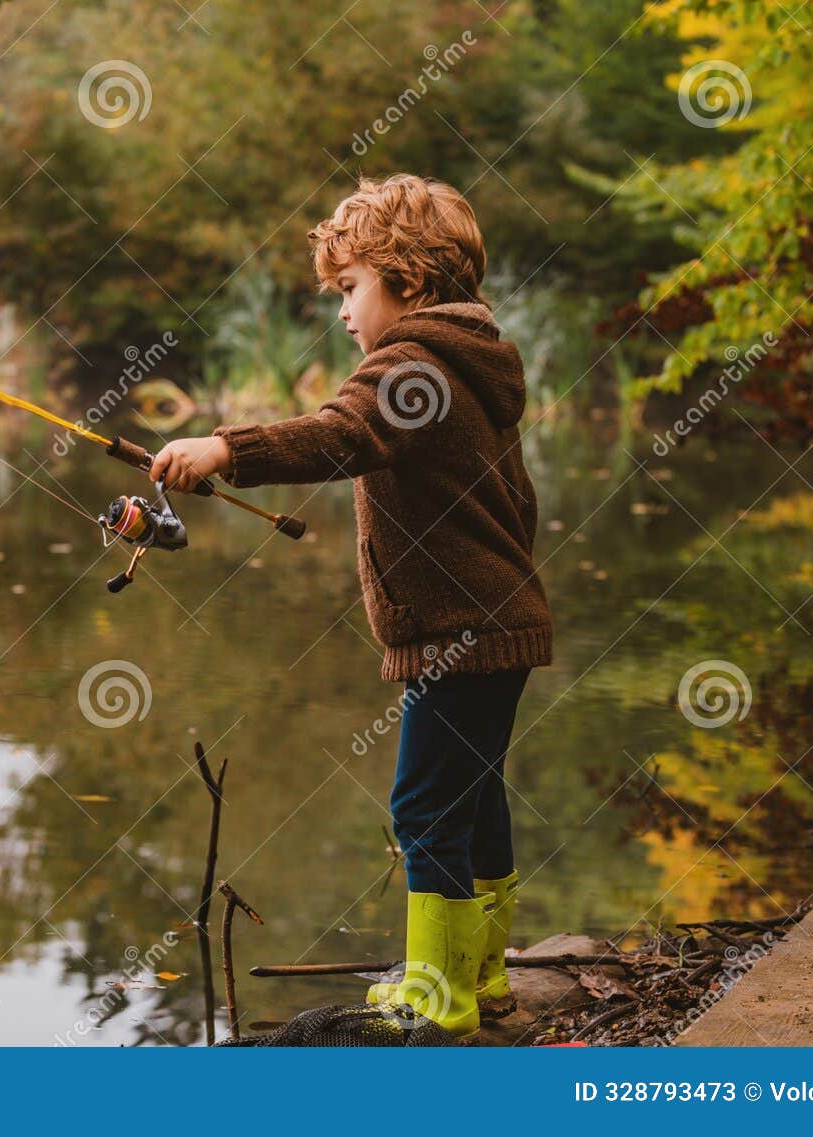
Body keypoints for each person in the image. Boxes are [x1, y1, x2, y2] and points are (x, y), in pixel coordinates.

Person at [149, 174, 554, 1037]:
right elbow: (520, 506)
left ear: (406, 280)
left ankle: (435, 996)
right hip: (502, 624)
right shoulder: (474, 367)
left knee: (423, 807)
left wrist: (224, 445)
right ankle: (482, 980)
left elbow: (342, 434)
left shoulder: (410, 366)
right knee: (474, 797)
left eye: (350, 288)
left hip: (459, 631)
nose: (342, 313)